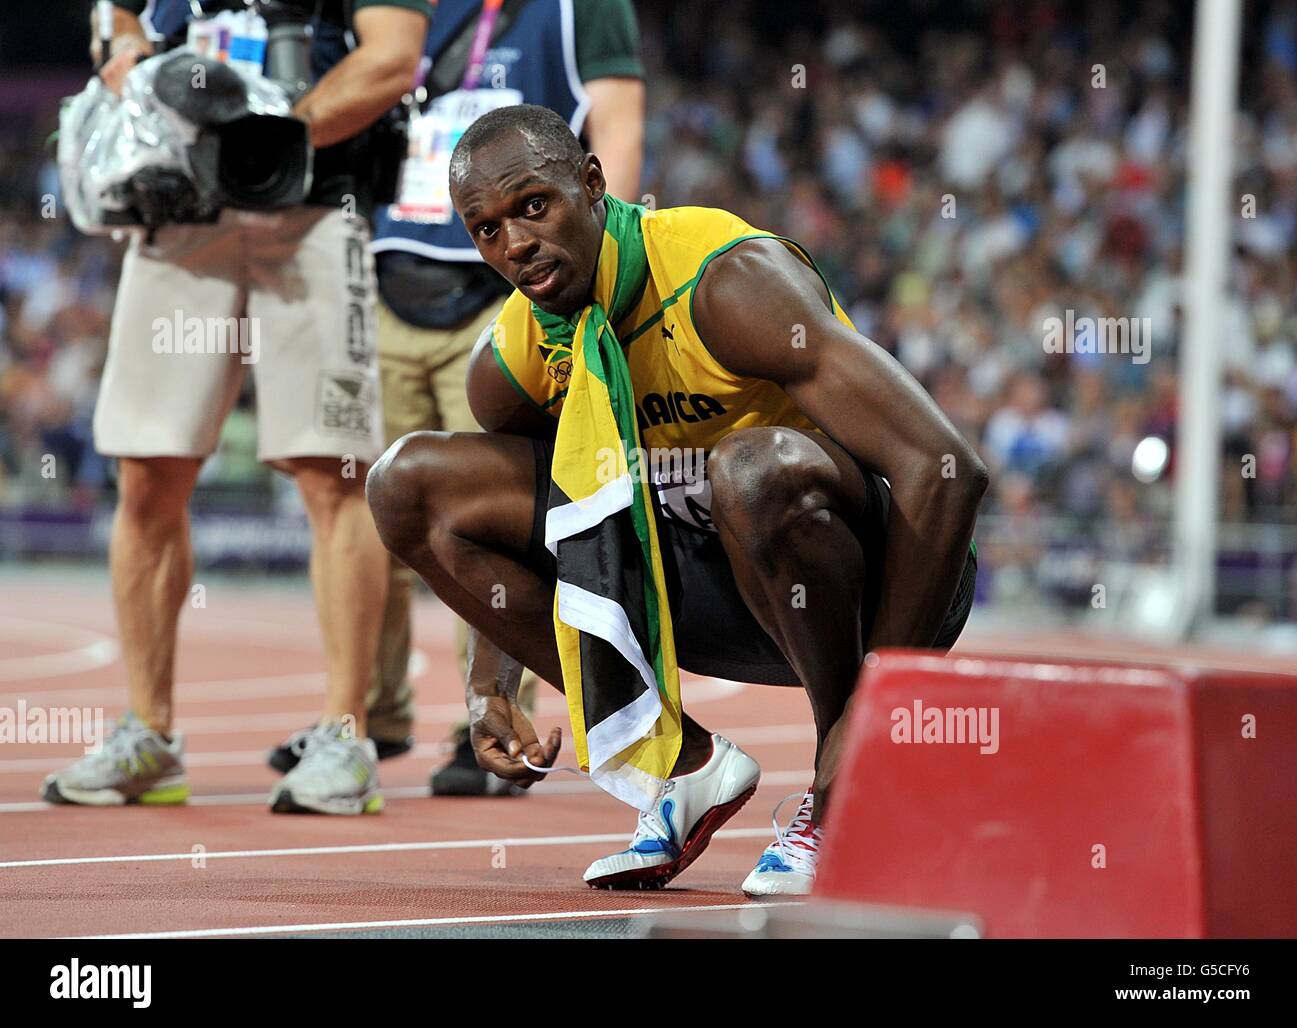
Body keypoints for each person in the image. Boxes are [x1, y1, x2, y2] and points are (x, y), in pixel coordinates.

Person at [366, 104, 986, 896]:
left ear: (591, 183)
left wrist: (878, 706)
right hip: (709, 589)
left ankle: (845, 780)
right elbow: (543, 507)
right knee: (406, 483)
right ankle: (687, 767)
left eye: (533, 206)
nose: (516, 244)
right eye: (486, 230)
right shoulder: (526, 351)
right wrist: (493, 680)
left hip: (884, 577)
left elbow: (945, 467)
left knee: (751, 469)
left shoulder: (724, 282)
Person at [42, 0, 432, 816]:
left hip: (317, 205)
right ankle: (149, 735)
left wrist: (275, 130)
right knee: (146, 470)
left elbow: (392, 59)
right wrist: (123, 44)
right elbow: (117, 18)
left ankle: (344, 736)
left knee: (332, 473)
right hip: (180, 213)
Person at [266, 0, 645, 798]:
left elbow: (615, 125)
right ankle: (365, 720)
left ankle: (489, 722)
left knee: (484, 516)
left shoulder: (581, 8)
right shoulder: (403, 12)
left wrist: (595, 269)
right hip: (385, 271)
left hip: (499, 291)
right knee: (366, 509)